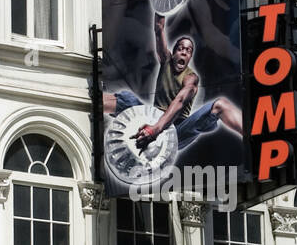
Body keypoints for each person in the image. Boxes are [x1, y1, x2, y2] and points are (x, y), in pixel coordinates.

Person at [104, 13, 243, 155]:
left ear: (189, 58)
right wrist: (162, 1)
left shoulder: (191, 77)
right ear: (174, 52)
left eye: (188, 51)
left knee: (220, 105)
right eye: (180, 48)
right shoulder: (166, 62)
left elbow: (181, 100)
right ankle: (89, 101)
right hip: (152, 118)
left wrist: (156, 129)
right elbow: (158, 28)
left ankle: (254, 138)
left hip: (177, 130)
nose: (183, 53)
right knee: (127, 98)